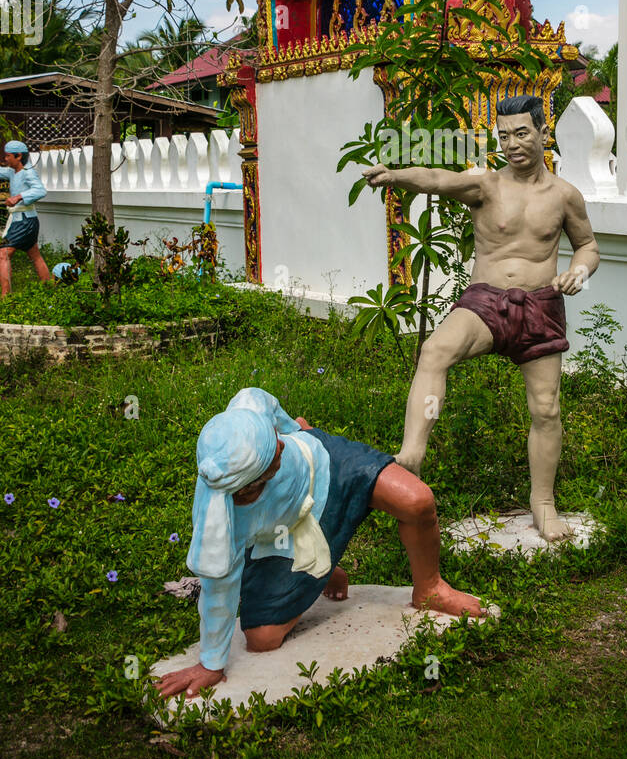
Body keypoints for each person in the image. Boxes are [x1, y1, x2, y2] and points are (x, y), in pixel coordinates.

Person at [364, 94, 601, 542]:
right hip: (487, 302)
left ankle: (543, 503)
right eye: (504, 136)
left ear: (542, 133)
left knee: (546, 408)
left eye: (522, 133)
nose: (512, 144)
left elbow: (588, 245)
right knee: (435, 351)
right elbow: (436, 179)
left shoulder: (566, 196)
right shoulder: (486, 186)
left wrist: (579, 270)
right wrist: (395, 175)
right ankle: (412, 453)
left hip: (541, 307)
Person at [155, 387, 484, 700]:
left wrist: (297, 431)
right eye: (273, 450)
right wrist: (210, 664)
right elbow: (217, 590)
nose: (280, 445)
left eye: (274, 437)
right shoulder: (221, 523)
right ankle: (319, 569)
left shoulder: (248, 407)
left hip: (328, 462)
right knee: (262, 638)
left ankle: (429, 588)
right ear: (247, 488)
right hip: (287, 536)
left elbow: (269, 407)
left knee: (417, 500)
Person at [0, 140, 50, 297]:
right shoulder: (12, 172)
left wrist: (18, 197)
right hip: (23, 220)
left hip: (25, 221)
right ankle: (48, 288)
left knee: (3, 254)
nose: (5, 159)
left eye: (8, 156)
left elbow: (41, 191)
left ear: (18, 156)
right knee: (35, 255)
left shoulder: (28, 172)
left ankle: (5, 296)